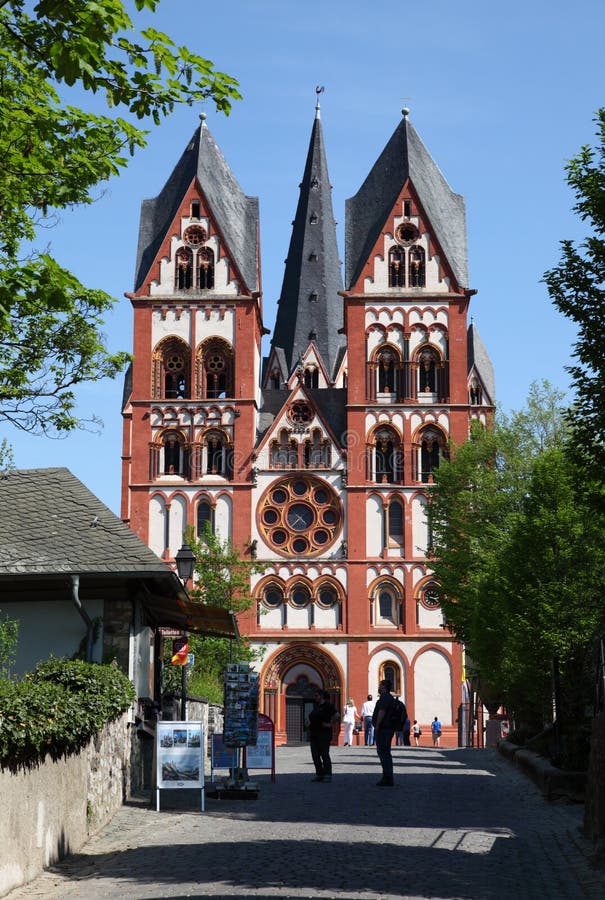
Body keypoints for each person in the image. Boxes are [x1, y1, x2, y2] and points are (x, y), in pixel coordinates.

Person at [372, 679, 402, 786]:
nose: (379, 688)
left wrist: (377, 726)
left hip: (384, 729)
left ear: (384, 687)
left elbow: (382, 711)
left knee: (383, 752)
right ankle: (387, 776)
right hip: (388, 729)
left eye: (380, 686)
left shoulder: (384, 697)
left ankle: (387, 777)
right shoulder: (390, 698)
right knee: (385, 752)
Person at [308, 689, 338, 782]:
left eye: (316, 695)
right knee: (315, 755)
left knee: (324, 754)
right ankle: (319, 774)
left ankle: (328, 774)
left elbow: (337, 715)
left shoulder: (328, 705)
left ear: (321, 696)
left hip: (324, 734)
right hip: (314, 733)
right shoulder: (316, 706)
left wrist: (330, 724)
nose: (315, 697)